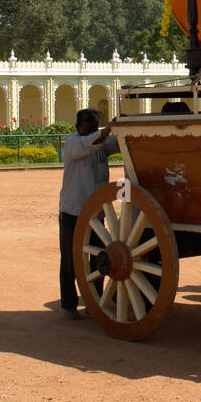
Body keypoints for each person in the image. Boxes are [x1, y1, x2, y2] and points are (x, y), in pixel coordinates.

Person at [58, 109, 119, 320]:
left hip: (96, 211)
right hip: (73, 210)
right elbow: (97, 140)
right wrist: (108, 129)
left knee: (98, 258)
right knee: (70, 259)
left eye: (95, 126)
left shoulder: (101, 142)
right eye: (89, 127)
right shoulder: (73, 142)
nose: (93, 130)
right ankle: (69, 305)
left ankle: (95, 301)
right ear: (78, 127)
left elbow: (118, 143)